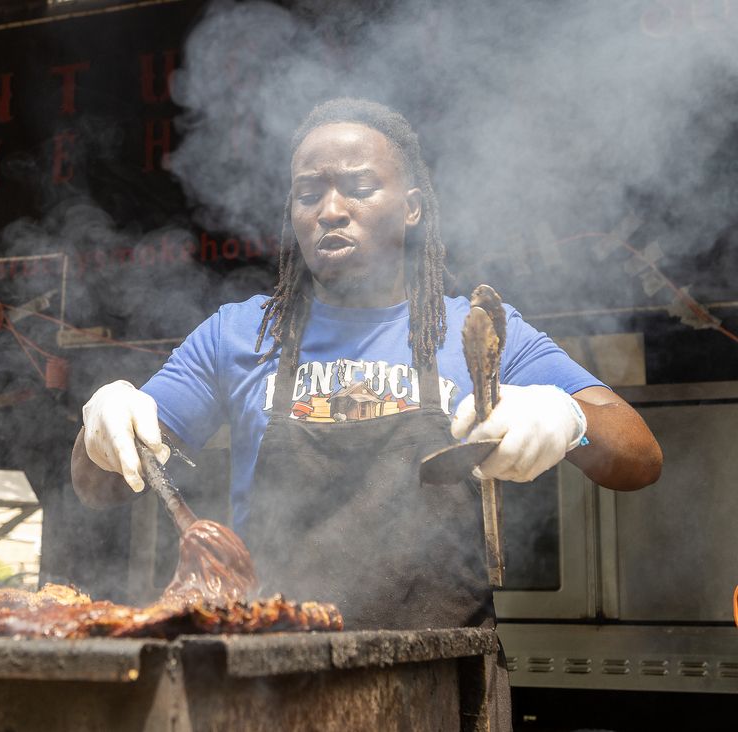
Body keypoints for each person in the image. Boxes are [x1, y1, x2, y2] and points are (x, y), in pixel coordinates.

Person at [70, 98, 662, 727]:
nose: (330, 210)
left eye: (358, 187)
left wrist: (569, 420)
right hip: (271, 690)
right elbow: (98, 487)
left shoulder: (476, 330)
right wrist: (101, 430)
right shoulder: (239, 334)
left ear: (411, 207)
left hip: (439, 690)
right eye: (307, 193)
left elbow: (640, 456)